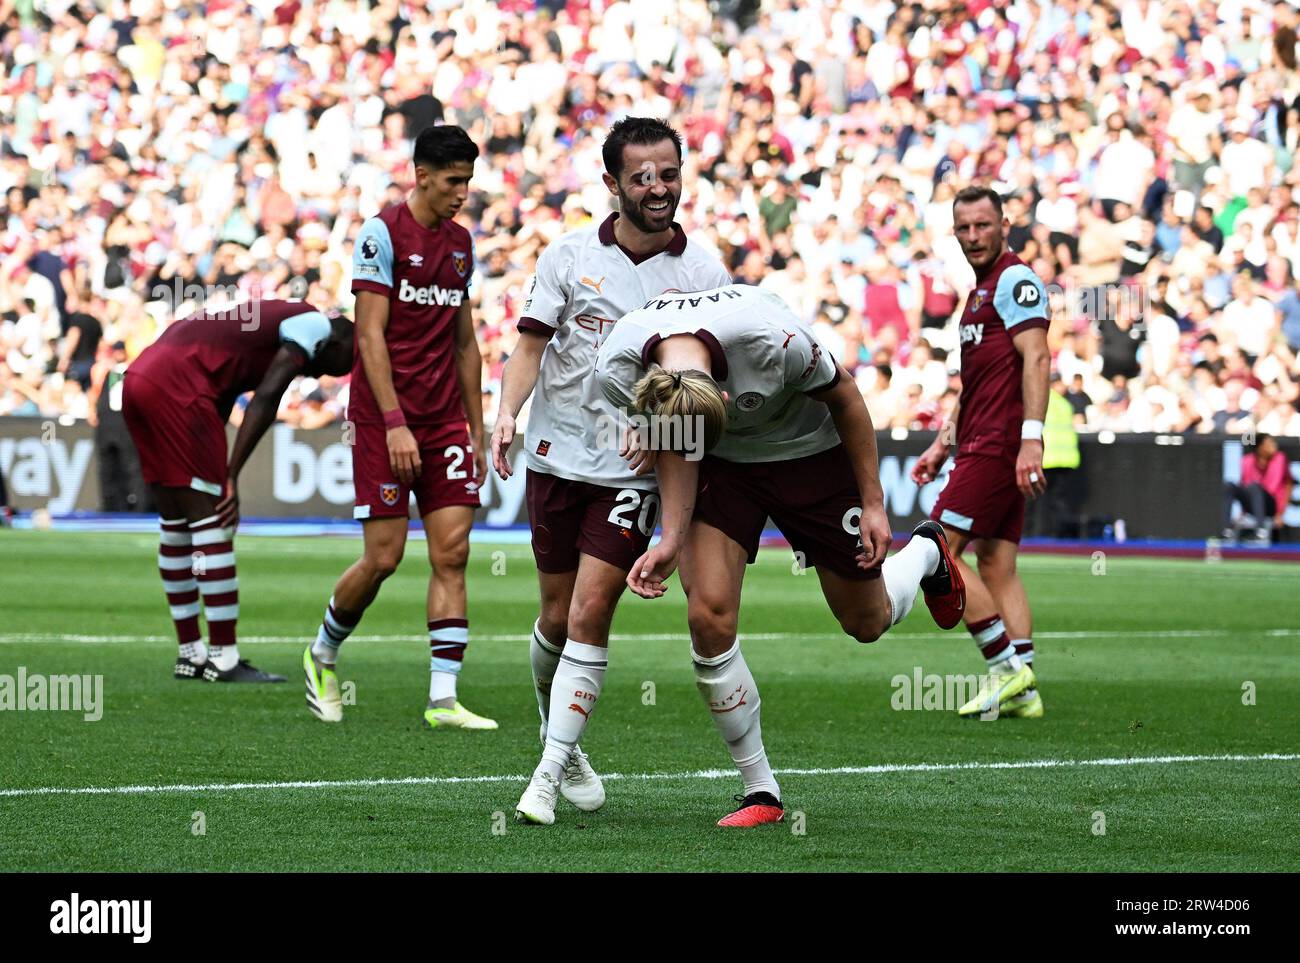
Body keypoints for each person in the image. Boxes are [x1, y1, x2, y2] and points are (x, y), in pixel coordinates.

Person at [565, 283, 966, 828]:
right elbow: (684, 444)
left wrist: (875, 502)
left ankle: (925, 552)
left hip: (813, 454)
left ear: (725, 397)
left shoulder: (773, 340)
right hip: (726, 469)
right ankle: (761, 791)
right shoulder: (620, 362)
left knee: (865, 621)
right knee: (707, 614)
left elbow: (846, 396)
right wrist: (672, 538)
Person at [494, 117, 731, 825]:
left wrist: (659, 428)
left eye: (668, 173)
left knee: (592, 609)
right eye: (642, 177)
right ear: (612, 185)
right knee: (556, 616)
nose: (658, 188)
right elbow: (530, 347)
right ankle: (561, 743)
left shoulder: (703, 271)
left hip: (632, 474)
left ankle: (543, 774)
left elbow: (703, 386)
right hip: (556, 455)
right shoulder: (568, 256)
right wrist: (507, 413)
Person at [304, 125, 496, 730]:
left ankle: (443, 699)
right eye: (452, 181)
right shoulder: (381, 234)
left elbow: (466, 346)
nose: (462, 192)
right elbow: (368, 336)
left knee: (454, 552)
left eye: (467, 180)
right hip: (384, 420)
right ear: (421, 175)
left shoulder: (461, 245)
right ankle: (323, 654)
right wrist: (393, 424)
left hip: (443, 423)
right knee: (384, 558)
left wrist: (478, 429)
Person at [122, 299, 354, 681]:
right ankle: (224, 658)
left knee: (176, 519)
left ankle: (190, 653)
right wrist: (230, 474)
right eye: (335, 366)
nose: (322, 374)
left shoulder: (270, 324)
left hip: (141, 378)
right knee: (214, 518)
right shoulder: (314, 325)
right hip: (179, 385)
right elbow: (267, 397)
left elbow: (227, 385)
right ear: (336, 343)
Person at [911, 185, 1051, 719]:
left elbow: (1037, 359)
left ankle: (1007, 671)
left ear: (1004, 225)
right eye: (964, 228)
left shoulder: (1014, 279)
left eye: (982, 225)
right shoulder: (980, 291)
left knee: (936, 551)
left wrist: (1031, 438)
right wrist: (941, 442)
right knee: (997, 563)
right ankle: (1028, 694)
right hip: (979, 441)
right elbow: (977, 384)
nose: (973, 236)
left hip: (997, 446)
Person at [87, 340, 149, 512]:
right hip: (112, 423)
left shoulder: (125, 370)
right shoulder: (107, 371)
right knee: (113, 466)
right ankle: (119, 504)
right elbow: (95, 392)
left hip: (121, 423)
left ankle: (135, 504)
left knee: (129, 466)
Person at [1224, 434, 1292, 545]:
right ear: (1260, 447)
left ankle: (1261, 532)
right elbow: (1245, 488)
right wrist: (1242, 512)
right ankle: (1226, 531)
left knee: (1254, 487)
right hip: (1252, 506)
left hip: (1271, 506)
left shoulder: (1280, 458)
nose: (1274, 445)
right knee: (1229, 486)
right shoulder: (1246, 461)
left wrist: (1281, 513)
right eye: (1269, 443)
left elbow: (1288, 485)